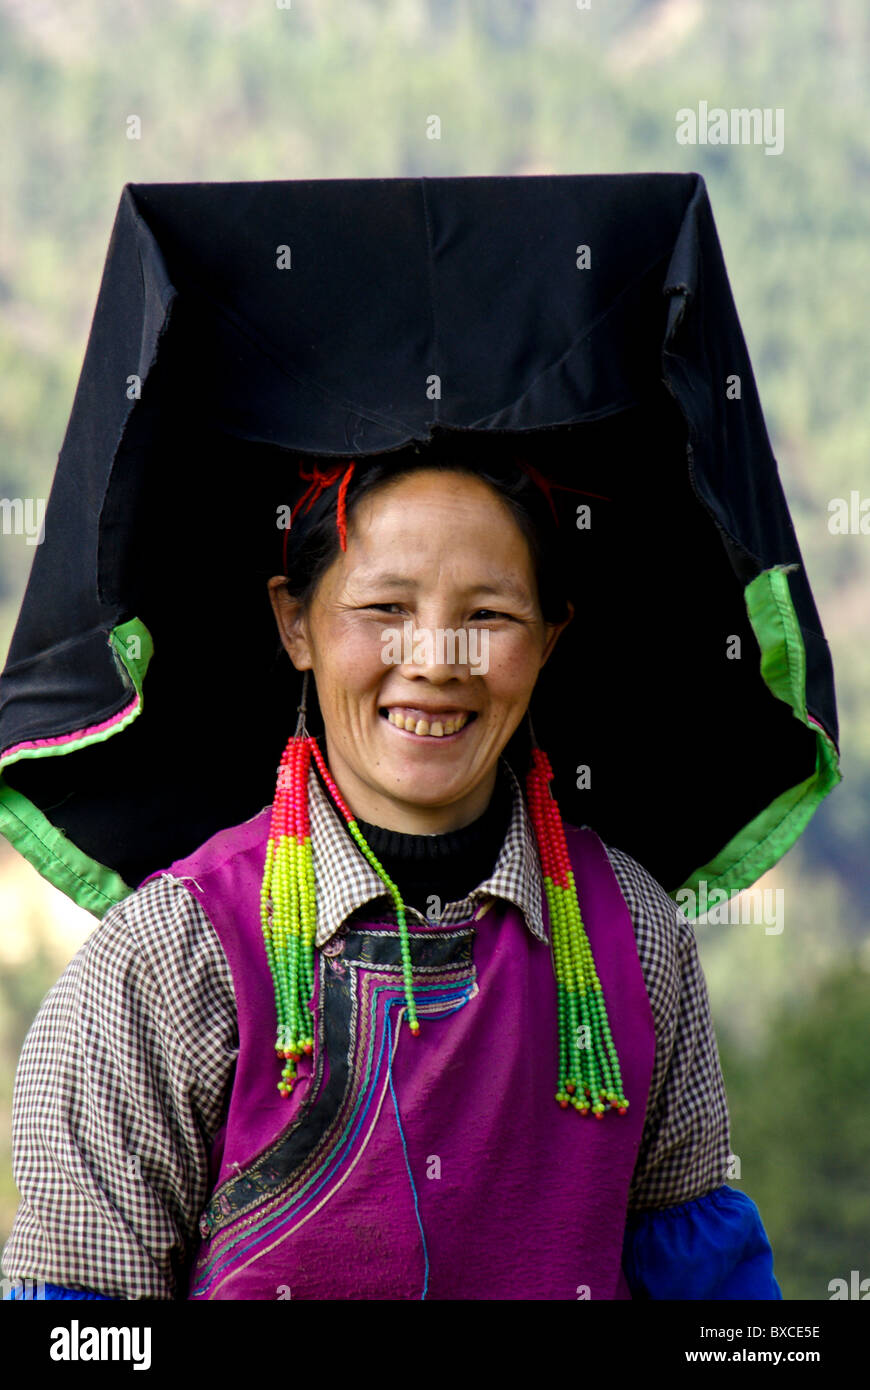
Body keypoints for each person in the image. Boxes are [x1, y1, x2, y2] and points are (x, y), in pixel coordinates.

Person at [1, 447, 781, 1300]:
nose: (436, 660)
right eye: (383, 607)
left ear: (551, 636)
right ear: (294, 624)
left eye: (487, 615)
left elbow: (714, 1297)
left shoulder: (632, 933)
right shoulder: (167, 961)